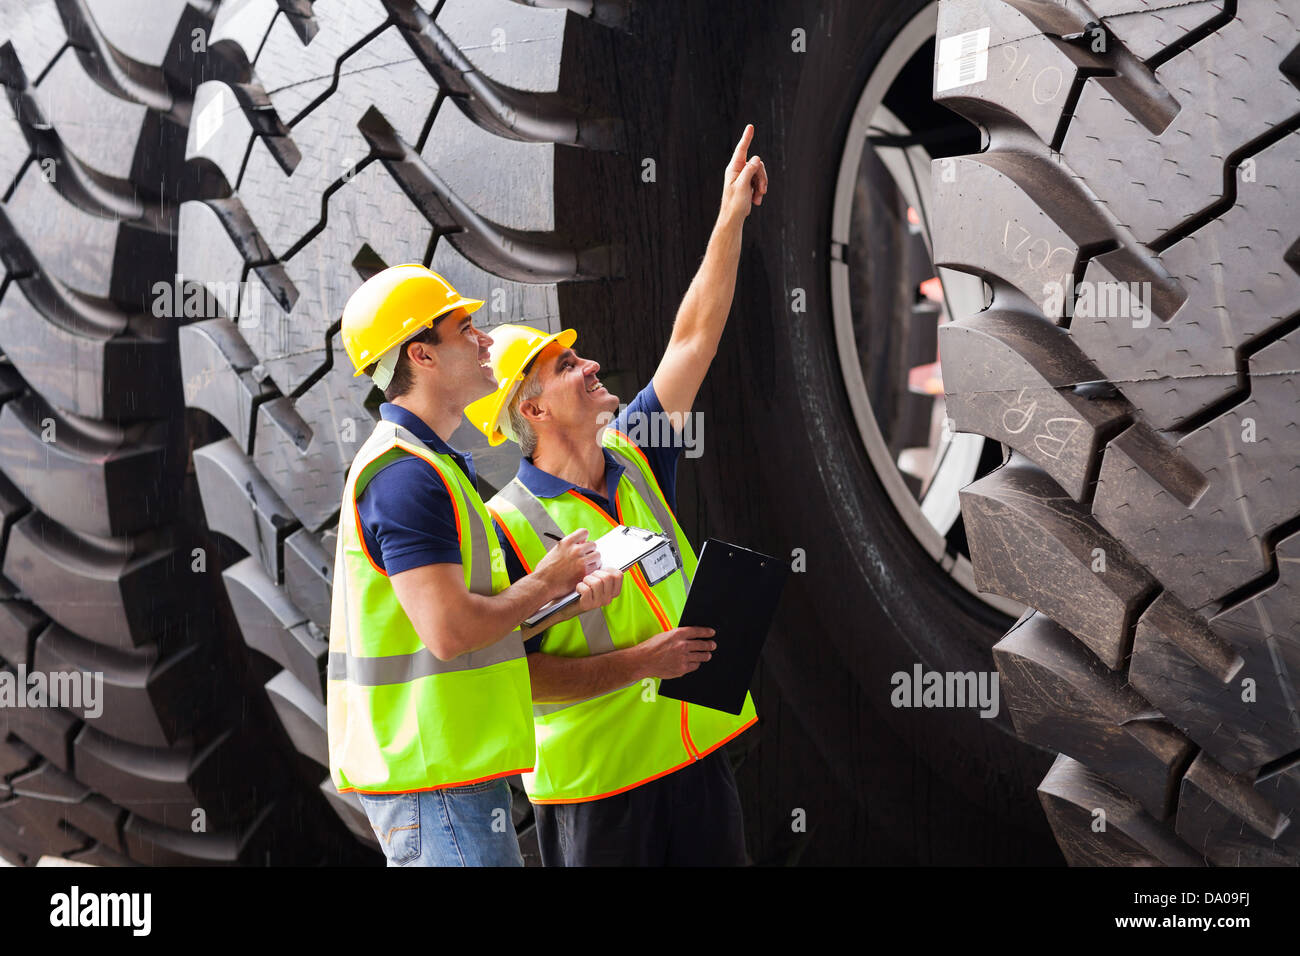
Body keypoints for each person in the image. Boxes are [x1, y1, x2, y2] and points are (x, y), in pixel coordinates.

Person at [464, 125, 769, 865]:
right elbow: (513, 678)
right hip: (601, 794)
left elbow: (693, 338)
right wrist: (642, 663)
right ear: (531, 409)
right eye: (569, 365)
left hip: (693, 763)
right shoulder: (502, 528)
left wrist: (729, 220)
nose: (593, 363)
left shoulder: (634, 455)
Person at [326, 264, 622, 866]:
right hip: (433, 778)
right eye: (465, 328)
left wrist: (561, 603)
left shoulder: (432, 467)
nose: (486, 339)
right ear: (422, 355)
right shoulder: (407, 476)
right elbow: (451, 633)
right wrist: (547, 580)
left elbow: (470, 632)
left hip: (445, 771)